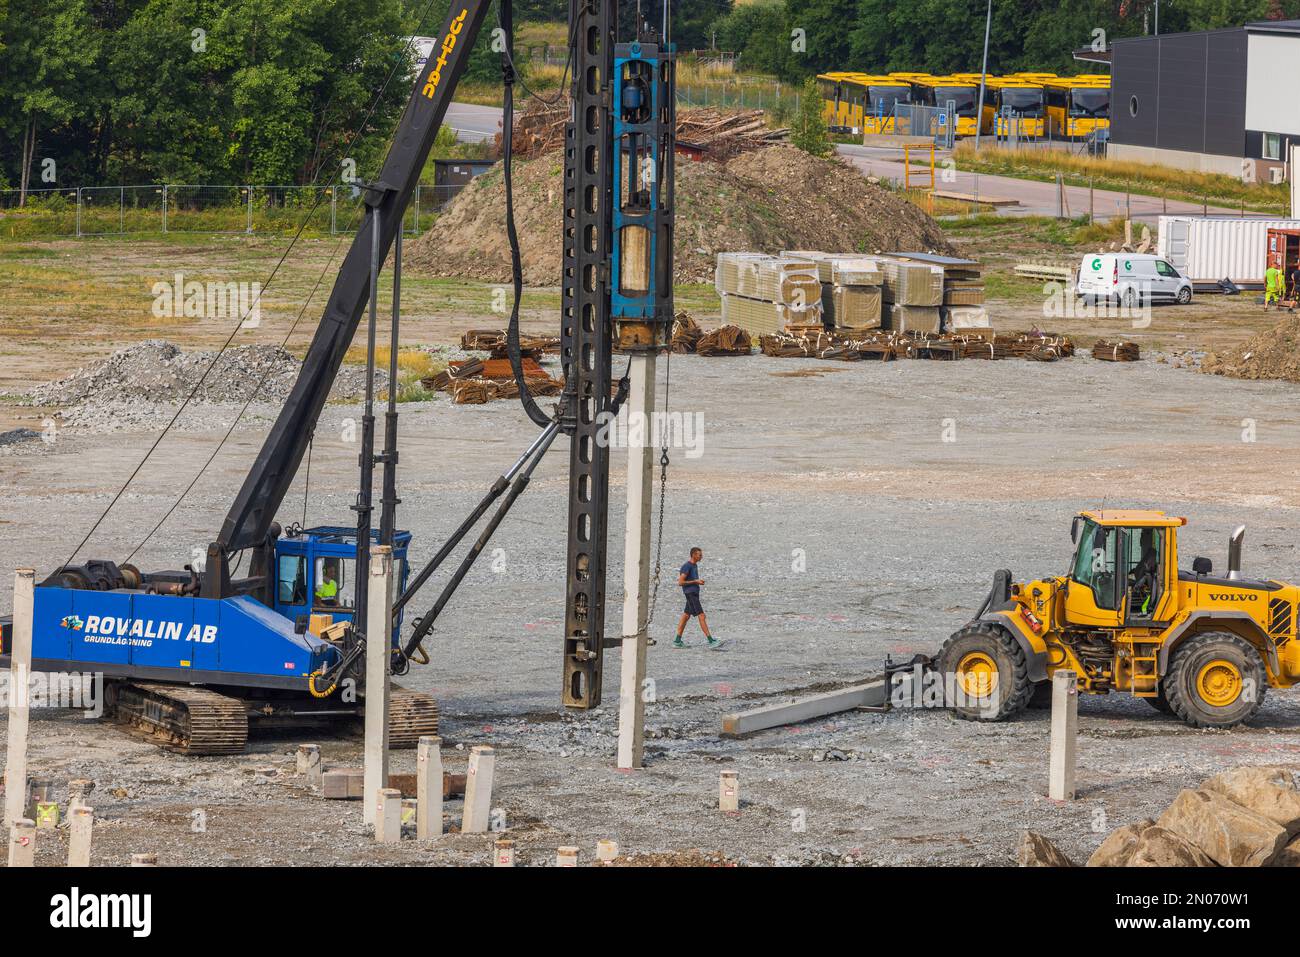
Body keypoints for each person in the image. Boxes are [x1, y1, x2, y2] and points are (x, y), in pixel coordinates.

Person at [673, 547, 720, 649]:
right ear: (693, 555)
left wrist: (697, 581)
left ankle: (677, 640)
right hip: (691, 594)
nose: (701, 556)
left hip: (693, 593)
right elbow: (680, 582)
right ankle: (711, 641)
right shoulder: (687, 566)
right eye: (699, 555)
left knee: (686, 616)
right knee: (702, 616)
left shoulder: (694, 565)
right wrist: (695, 581)